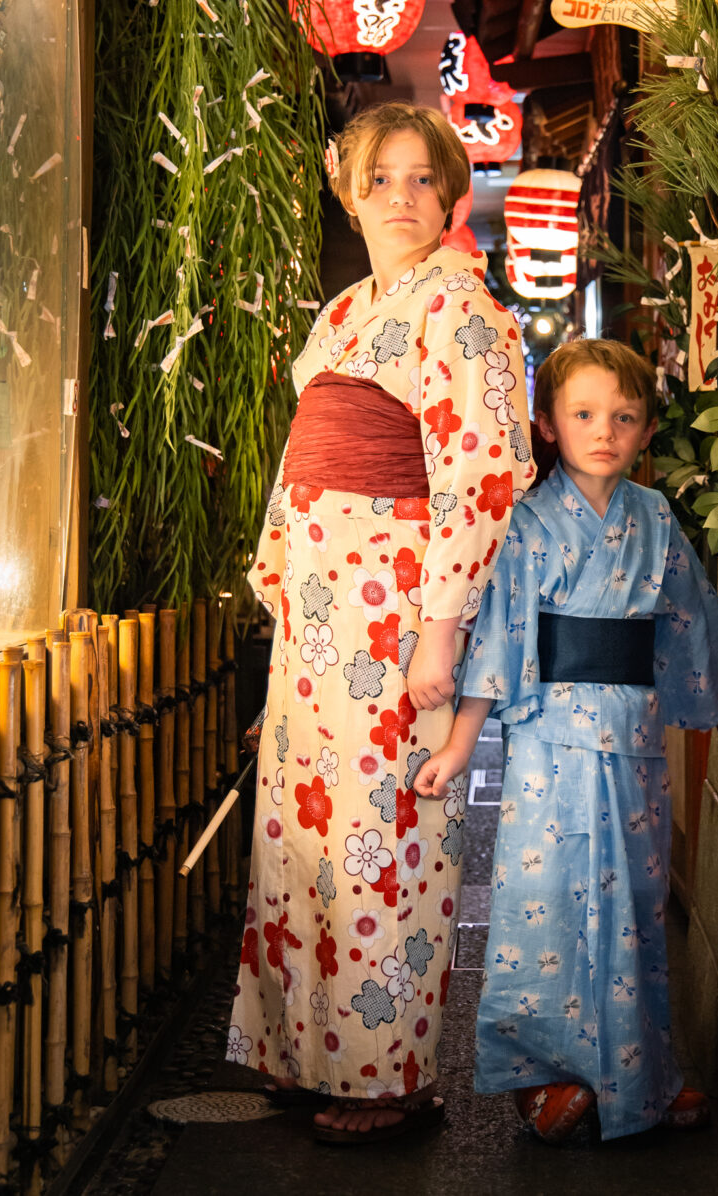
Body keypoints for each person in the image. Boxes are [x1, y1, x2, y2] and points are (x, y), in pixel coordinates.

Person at [229, 103, 534, 1143]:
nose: (400, 197)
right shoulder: (347, 311)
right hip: (318, 611)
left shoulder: (462, 310)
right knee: (305, 835)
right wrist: (281, 566)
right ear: (347, 188)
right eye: (380, 178)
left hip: (393, 606)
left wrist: (442, 624)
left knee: (384, 837)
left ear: (452, 197)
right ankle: (303, 1053)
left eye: (421, 179)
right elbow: (302, 452)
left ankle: (383, 1074)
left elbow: (484, 472)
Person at [414, 338, 718, 1143]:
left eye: (624, 416)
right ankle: (541, 1076)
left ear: (645, 430)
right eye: (582, 414)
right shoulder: (530, 523)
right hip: (547, 748)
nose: (602, 430)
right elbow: (500, 636)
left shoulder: (657, 520)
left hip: (632, 739)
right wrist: (461, 747)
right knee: (547, 903)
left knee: (633, 910)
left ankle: (644, 1074)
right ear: (548, 424)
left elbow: (691, 622)